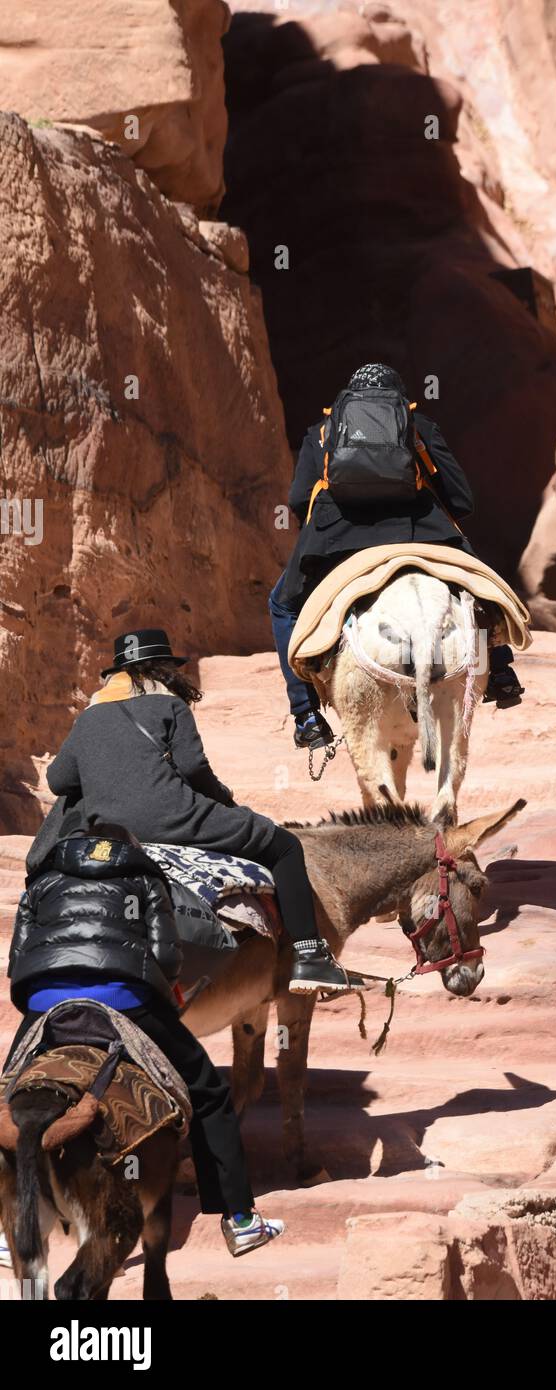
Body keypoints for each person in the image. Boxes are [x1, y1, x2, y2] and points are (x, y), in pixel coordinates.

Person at [2, 818, 283, 1258]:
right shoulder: (144, 874)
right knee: (209, 1092)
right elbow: (168, 954)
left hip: (47, 1002)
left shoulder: (44, 877)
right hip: (124, 997)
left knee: (10, 1096)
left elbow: (18, 959)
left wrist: (43, 997)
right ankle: (240, 1220)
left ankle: (7, 1232)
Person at [30, 628, 350, 992]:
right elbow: (194, 768)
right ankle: (310, 958)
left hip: (111, 833)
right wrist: (226, 801)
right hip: (175, 818)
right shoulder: (170, 706)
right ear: (163, 670)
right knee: (285, 846)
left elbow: (58, 780)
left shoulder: (89, 718)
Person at [269, 363, 524, 750]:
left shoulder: (321, 432)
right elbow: (460, 498)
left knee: (282, 606)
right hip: (420, 530)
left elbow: (298, 500)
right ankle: (501, 672)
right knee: (475, 585)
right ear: (399, 399)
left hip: (336, 538)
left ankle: (306, 715)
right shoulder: (418, 424)